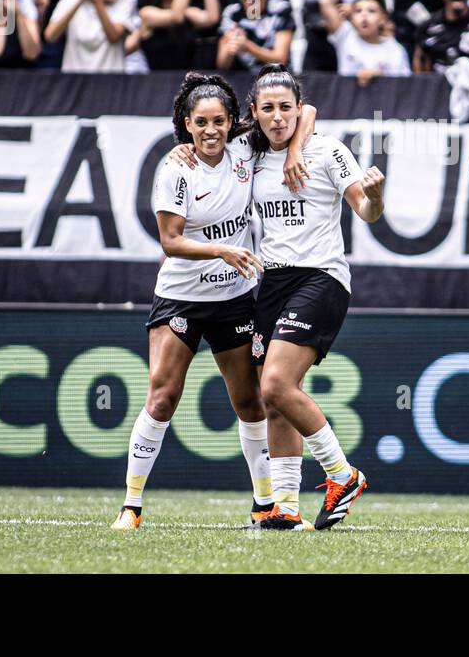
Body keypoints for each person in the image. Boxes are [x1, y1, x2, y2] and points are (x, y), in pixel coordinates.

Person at [112, 71, 316, 531]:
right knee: (163, 397)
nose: (210, 131)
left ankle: (265, 505)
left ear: (231, 123)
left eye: (219, 122)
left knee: (251, 402)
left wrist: (298, 149)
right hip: (182, 298)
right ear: (186, 124)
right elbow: (170, 240)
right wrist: (222, 248)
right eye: (201, 123)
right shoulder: (175, 169)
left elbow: (307, 113)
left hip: (235, 298)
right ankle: (132, 505)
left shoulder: (245, 148)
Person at [247, 65, 386, 530]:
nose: (278, 116)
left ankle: (342, 475)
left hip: (321, 279)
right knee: (274, 401)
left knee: (275, 385)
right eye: (268, 108)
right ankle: (286, 505)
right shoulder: (248, 155)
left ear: (297, 109)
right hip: (273, 284)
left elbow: (366, 212)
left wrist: (377, 195)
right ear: (254, 113)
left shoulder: (326, 150)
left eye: (286, 107)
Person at [318, 0, 411, 84]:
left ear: (383, 18)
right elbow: (326, 2)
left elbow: (405, 87)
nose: (364, 15)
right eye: (358, 11)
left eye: (372, 11)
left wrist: (379, 76)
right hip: (347, 103)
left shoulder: (395, 50)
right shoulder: (345, 36)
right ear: (352, 17)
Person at [46, 0, 133, 72]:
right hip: (75, 85)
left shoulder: (124, 3)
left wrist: (97, 0)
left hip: (112, 85)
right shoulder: (70, 1)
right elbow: (51, 36)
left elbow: (114, 36)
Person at [216, 0, 294, 71]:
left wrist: (247, 46)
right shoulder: (231, 13)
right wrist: (231, 47)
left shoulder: (281, 9)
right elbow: (222, 66)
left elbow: (280, 60)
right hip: (241, 80)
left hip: (276, 79)